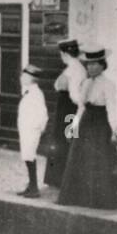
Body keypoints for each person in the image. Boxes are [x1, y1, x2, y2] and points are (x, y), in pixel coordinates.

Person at [58, 46, 117, 210]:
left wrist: (114, 131)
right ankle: (78, 198)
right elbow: (80, 107)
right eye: (88, 65)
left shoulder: (108, 84)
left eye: (95, 64)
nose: (91, 67)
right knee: (79, 158)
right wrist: (72, 128)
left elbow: (111, 108)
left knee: (99, 161)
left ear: (103, 65)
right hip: (85, 123)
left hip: (100, 125)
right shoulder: (86, 83)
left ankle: (99, 200)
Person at [43, 39, 86, 188]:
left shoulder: (75, 69)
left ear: (65, 53)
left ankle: (63, 180)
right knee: (61, 142)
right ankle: (58, 179)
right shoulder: (73, 67)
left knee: (65, 142)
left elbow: (75, 96)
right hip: (65, 109)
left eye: (61, 53)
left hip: (69, 110)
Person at [16, 66, 49, 198]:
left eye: (23, 76)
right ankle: (31, 185)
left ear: (31, 79)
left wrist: (38, 128)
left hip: (32, 130)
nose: (21, 78)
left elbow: (43, 114)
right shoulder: (29, 92)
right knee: (27, 156)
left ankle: (34, 188)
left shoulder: (36, 94)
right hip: (26, 129)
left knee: (29, 156)